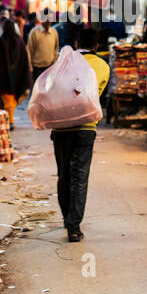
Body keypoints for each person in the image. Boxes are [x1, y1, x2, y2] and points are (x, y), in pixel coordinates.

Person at [52, 25, 110, 242]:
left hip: (60, 126)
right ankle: (73, 226)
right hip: (85, 127)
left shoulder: (63, 62)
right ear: (96, 46)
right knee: (79, 176)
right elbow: (96, 94)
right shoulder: (103, 66)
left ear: (76, 44)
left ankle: (67, 217)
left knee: (63, 173)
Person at [0, 16, 33, 124]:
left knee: (0, 107)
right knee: (10, 103)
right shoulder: (20, 43)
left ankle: (5, 121)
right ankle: (9, 120)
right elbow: (24, 62)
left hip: (0, 84)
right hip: (16, 83)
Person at [27, 14, 60, 82]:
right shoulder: (34, 32)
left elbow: (56, 49)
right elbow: (29, 50)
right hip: (37, 68)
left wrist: (54, 63)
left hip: (50, 67)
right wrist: (30, 67)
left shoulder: (54, 32)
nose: (49, 21)